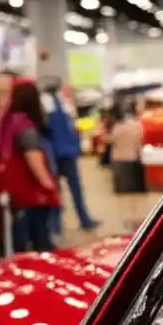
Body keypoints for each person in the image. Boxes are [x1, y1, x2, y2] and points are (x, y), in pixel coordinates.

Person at [0, 80, 59, 252]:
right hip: (33, 194)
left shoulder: (7, 121)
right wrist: (50, 186)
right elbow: (33, 159)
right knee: (41, 241)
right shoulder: (25, 126)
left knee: (23, 240)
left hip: (16, 194)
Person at [43, 82, 99, 234]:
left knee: (65, 190)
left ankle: (59, 225)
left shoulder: (56, 105)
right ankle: (68, 223)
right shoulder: (55, 106)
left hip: (60, 153)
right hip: (61, 153)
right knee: (69, 189)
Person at [109, 101, 146, 194]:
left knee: (122, 192)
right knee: (133, 191)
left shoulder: (116, 127)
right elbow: (140, 141)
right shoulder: (137, 125)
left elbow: (111, 141)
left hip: (118, 160)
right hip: (133, 159)